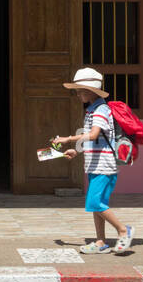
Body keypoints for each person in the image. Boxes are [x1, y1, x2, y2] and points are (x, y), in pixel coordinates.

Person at [53, 67, 134, 255]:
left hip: (104, 166)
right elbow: (93, 138)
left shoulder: (101, 110)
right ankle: (100, 242)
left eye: (79, 90)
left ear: (89, 91)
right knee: (98, 205)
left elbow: (94, 134)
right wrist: (76, 150)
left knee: (95, 203)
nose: (77, 94)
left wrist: (68, 139)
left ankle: (123, 230)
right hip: (94, 165)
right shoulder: (92, 111)